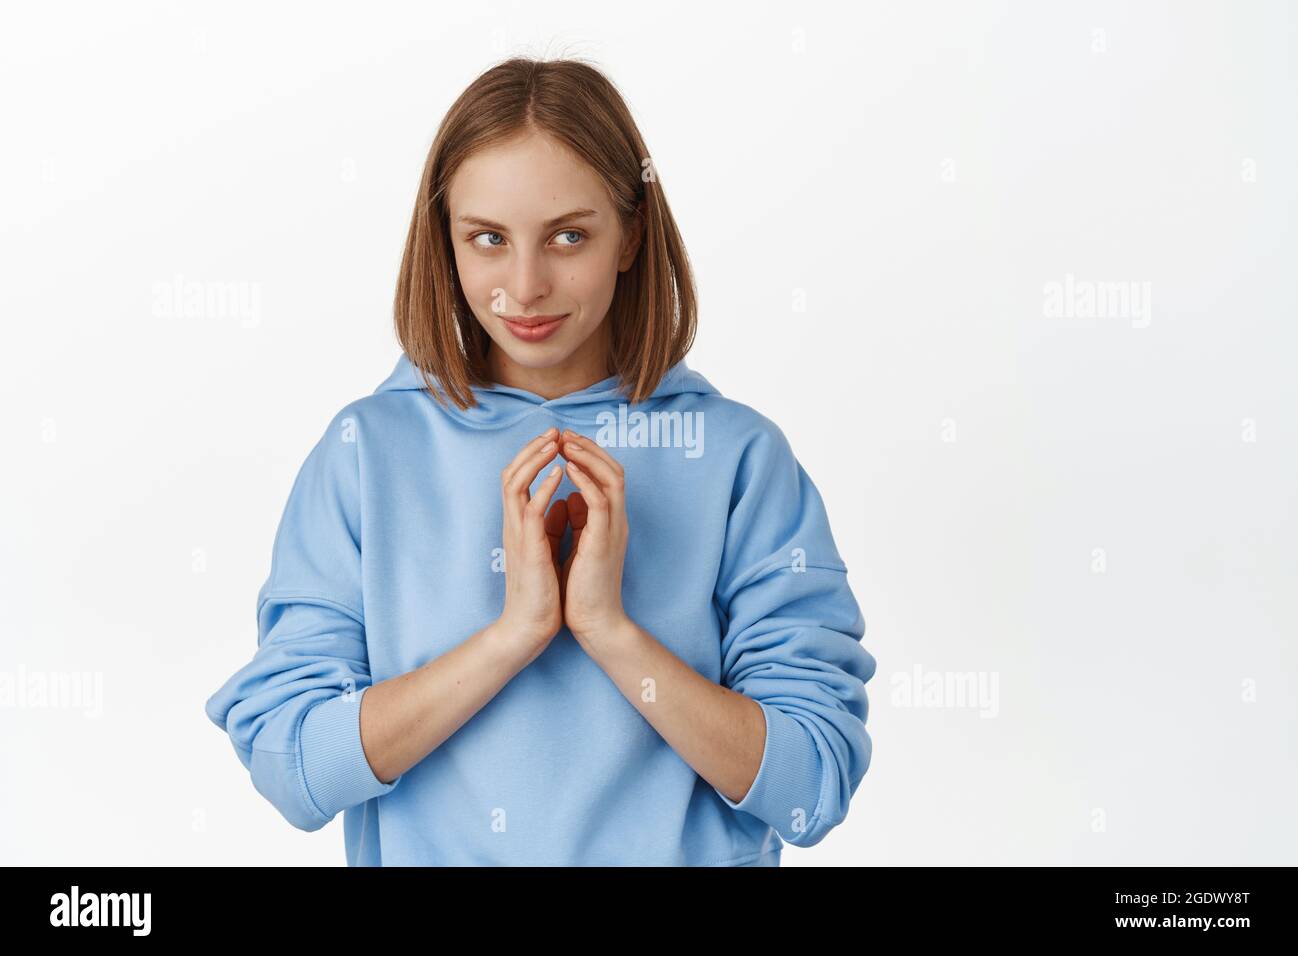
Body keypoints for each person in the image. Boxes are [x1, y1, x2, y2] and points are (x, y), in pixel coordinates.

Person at [204, 55, 876, 866]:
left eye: (568, 236)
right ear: (444, 242)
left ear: (629, 235)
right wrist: (514, 634)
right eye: (488, 239)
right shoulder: (365, 455)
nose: (525, 287)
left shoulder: (739, 460)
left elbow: (811, 788)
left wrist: (607, 628)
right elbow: (296, 772)